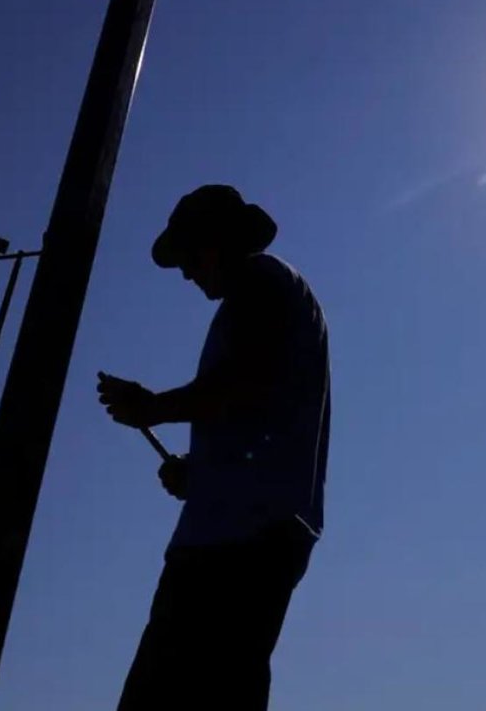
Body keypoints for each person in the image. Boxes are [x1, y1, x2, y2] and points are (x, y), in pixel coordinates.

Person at [97, 185, 330, 710]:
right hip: (255, 529)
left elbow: (244, 381)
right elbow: (257, 408)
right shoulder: (273, 292)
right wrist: (200, 476)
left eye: (188, 257)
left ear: (215, 243)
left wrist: (152, 407)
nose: (185, 273)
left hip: (234, 539)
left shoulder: (260, 281)